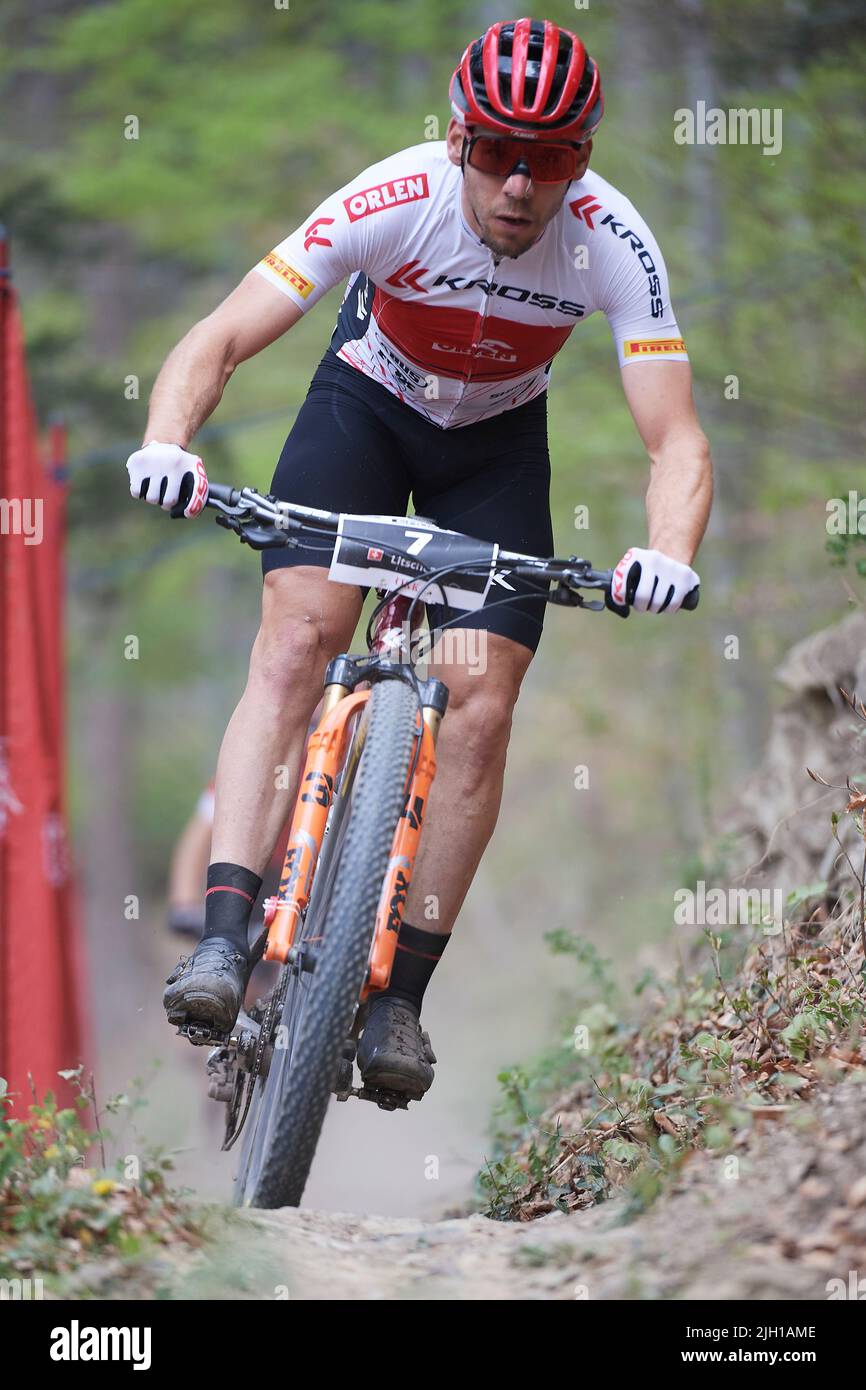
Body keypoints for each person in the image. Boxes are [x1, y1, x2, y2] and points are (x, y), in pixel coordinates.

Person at [127, 18, 712, 1100]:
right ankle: (220, 939)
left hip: (491, 450)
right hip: (365, 408)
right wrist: (168, 441)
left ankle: (398, 1004)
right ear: (455, 139)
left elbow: (673, 438)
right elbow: (216, 336)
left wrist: (666, 552)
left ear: (583, 159)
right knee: (296, 645)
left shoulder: (612, 241)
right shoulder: (393, 197)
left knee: (482, 705)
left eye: (551, 159)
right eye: (495, 151)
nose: (519, 185)